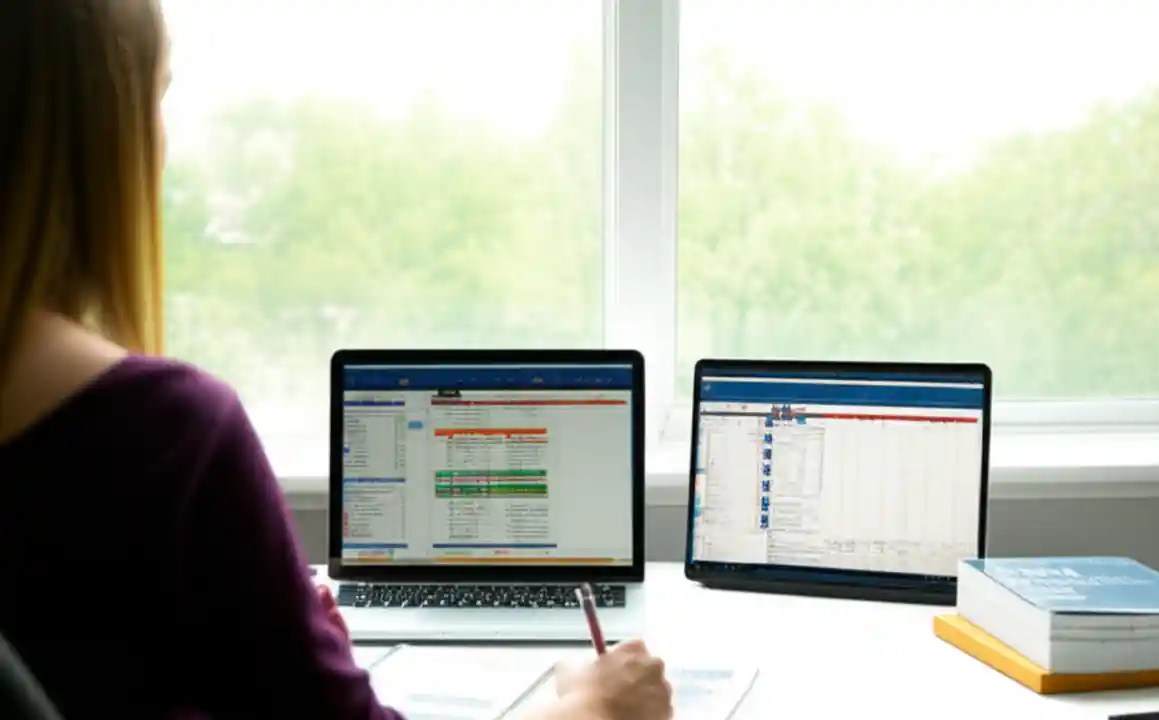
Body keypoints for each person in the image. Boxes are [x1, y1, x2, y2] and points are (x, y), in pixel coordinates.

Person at [0, 1, 673, 718]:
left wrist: (285, 639)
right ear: (95, 132)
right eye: (157, 95)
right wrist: (594, 707)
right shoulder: (166, 433)